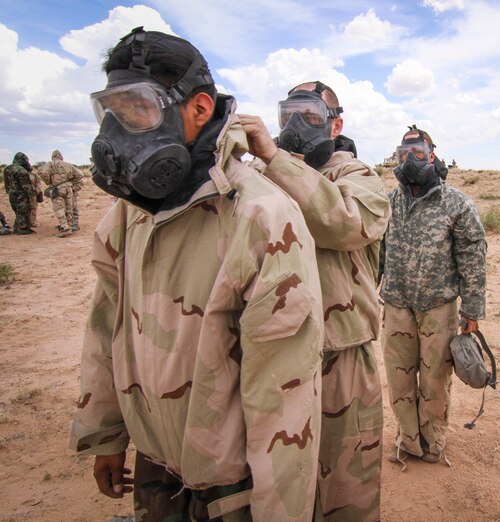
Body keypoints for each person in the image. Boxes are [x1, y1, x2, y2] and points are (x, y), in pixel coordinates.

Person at [69, 27, 324, 521]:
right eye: (112, 111)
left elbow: (284, 400)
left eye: (138, 109)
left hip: (230, 486)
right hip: (153, 465)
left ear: (199, 109)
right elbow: (105, 330)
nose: (121, 129)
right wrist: (105, 436)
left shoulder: (261, 217)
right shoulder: (126, 216)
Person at [241, 80, 389, 522]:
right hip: (277, 357)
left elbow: (347, 223)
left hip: (340, 353)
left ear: (335, 123)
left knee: (348, 483)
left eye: (308, 114)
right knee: (280, 483)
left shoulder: (355, 175)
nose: (294, 125)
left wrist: (273, 157)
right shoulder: (263, 175)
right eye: (287, 115)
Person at [380, 126, 487, 465]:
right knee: (399, 379)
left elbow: (472, 256)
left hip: (439, 308)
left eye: (419, 153)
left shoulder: (455, 202)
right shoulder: (388, 203)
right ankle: (408, 441)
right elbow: (376, 254)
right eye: (403, 154)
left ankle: (433, 441)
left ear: (433, 155)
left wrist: (473, 309)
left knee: (435, 380)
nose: (410, 161)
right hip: (396, 304)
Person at [38, 150, 83, 237]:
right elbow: (80, 174)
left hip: (57, 188)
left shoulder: (49, 164)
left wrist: (48, 182)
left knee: (59, 208)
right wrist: (70, 182)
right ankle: (69, 226)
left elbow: (43, 173)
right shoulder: (68, 164)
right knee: (69, 207)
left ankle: (65, 227)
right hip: (68, 188)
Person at [3, 152, 36, 234]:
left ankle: (17, 227)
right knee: (23, 211)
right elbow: (26, 186)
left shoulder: (7, 169)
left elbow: (6, 183)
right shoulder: (21, 170)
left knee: (17, 211)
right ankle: (23, 229)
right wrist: (32, 194)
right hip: (21, 194)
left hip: (12, 193)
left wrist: (9, 191)